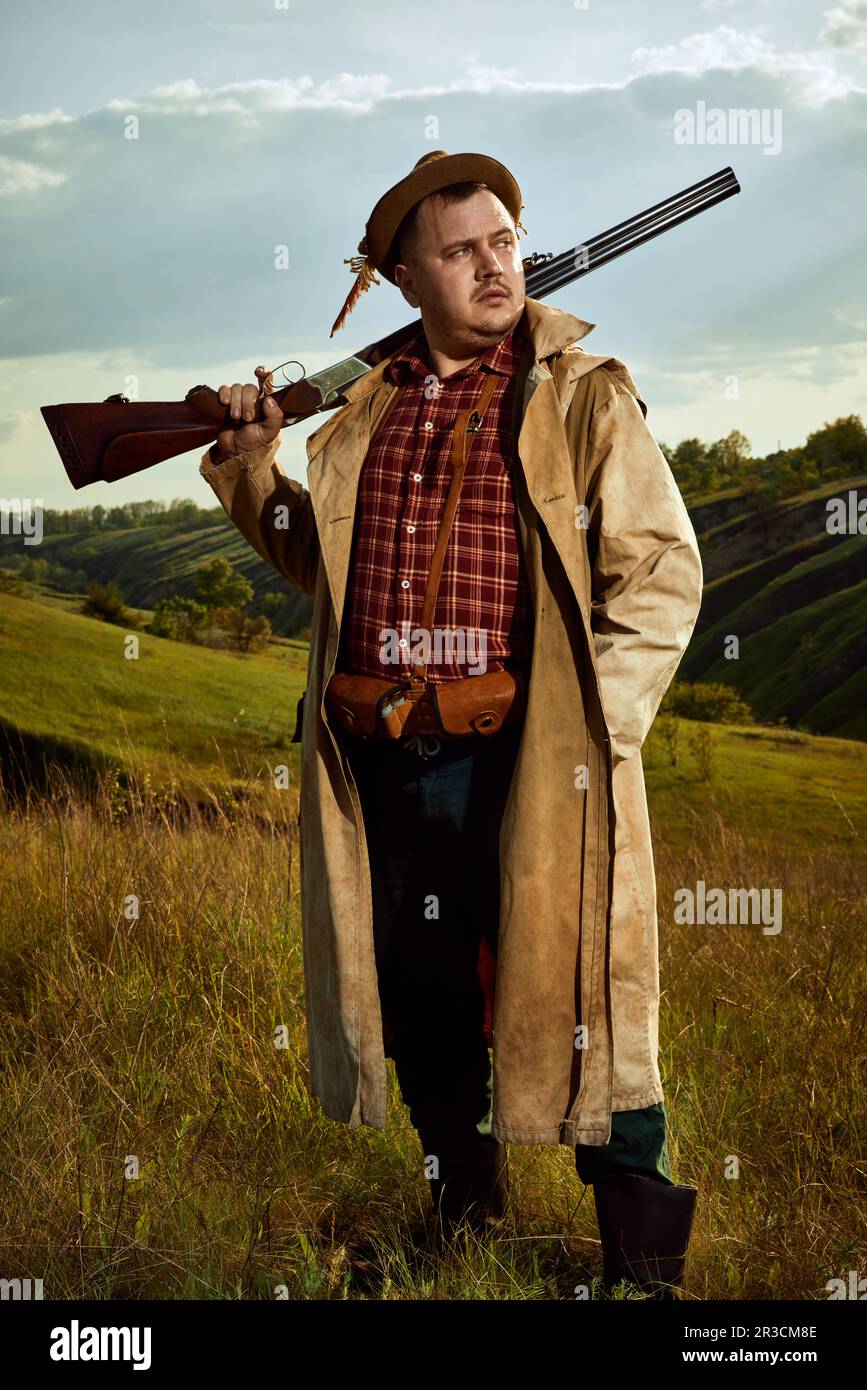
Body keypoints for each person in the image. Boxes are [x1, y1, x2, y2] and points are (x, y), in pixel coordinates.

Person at [199, 151, 704, 1297]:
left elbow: (664, 579)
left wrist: (589, 735)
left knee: (591, 1015)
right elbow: (316, 563)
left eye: (505, 242)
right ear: (406, 276)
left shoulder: (580, 393)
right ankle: (461, 1225)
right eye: (463, 249)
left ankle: (643, 1279)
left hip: (526, 766)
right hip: (381, 765)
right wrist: (250, 465)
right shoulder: (363, 410)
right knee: (427, 1016)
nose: (496, 265)